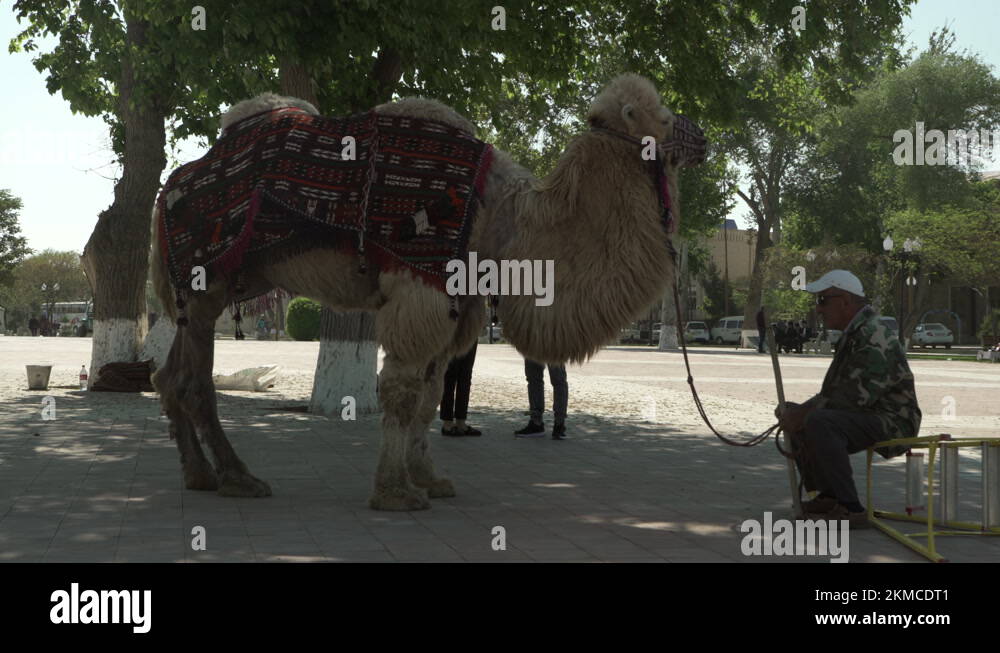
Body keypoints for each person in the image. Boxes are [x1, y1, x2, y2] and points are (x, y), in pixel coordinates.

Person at [776, 270, 921, 528]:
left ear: (844, 301)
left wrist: (803, 414)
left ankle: (851, 507)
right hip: (869, 413)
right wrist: (796, 413)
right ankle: (829, 496)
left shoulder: (872, 335)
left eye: (822, 301)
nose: (818, 309)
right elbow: (835, 394)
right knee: (799, 415)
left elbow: (852, 398)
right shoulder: (857, 332)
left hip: (893, 419)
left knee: (819, 421)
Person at [514, 359, 568, 440]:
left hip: (554, 347)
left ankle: (558, 424)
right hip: (533, 347)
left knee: (558, 379)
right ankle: (538, 423)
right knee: (534, 378)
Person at [440, 343, 481, 436]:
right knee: (449, 377)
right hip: (453, 333)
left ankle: (461, 422)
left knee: (465, 378)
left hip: (471, 333)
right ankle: (447, 424)